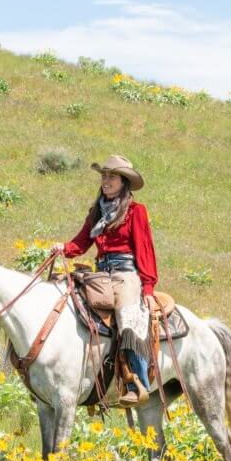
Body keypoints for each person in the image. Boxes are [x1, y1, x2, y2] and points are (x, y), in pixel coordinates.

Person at [53, 155, 158, 407]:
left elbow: (144, 250)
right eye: (104, 176)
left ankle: (138, 383)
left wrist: (148, 288)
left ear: (124, 182)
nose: (106, 181)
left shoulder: (136, 211)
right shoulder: (97, 211)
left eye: (112, 177)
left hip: (126, 274)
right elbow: (81, 243)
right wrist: (63, 248)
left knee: (128, 318)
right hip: (101, 273)